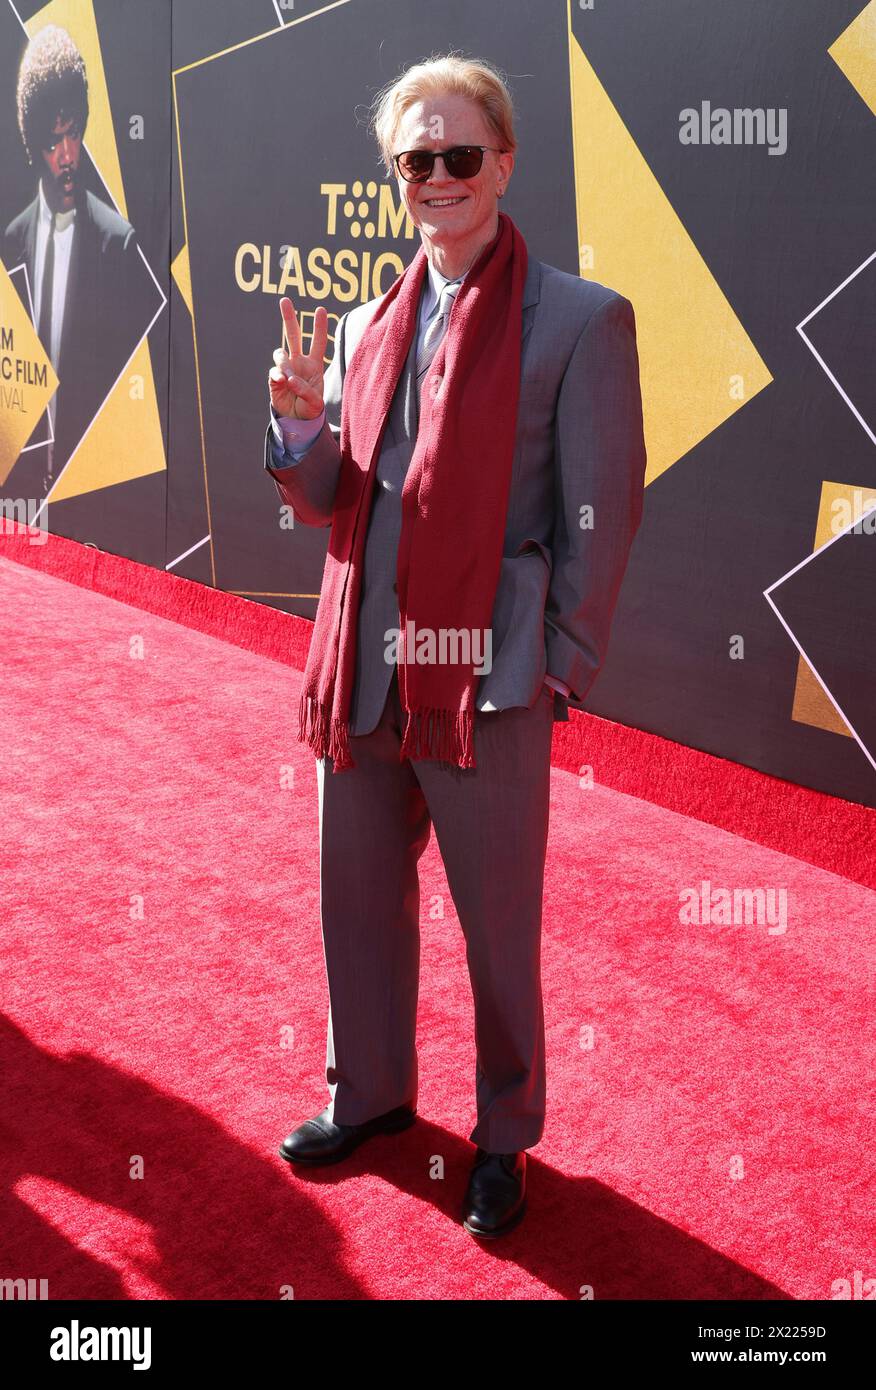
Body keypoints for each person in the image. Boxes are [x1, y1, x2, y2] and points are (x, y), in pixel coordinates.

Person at [263, 53, 646, 1239]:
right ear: (397, 177)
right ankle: (371, 1096)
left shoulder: (579, 319)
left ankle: (503, 1138)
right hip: (364, 675)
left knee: (497, 927)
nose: (439, 175)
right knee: (358, 901)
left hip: (488, 681)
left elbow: (606, 502)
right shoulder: (374, 320)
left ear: (505, 162)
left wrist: (562, 662)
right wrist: (296, 418)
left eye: (460, 154)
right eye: (417, 159)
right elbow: (337, 499)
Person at [3, 24, 151, 499]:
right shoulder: (13, 239)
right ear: (32, 146)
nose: (67, 156)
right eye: (52, 143)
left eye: (74, 134)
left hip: (92, 492)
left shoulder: (118, 245)